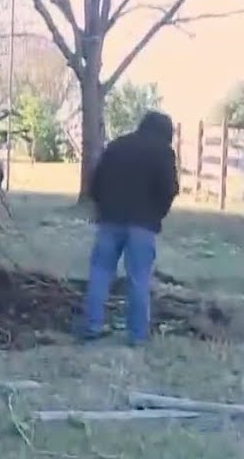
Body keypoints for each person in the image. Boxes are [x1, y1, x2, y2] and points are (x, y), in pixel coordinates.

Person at [79, 110, 179, 346]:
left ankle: (92, 325)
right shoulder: (163, 152)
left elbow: (94, 183)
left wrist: (102, 208)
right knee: (138, 279)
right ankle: (137, 334)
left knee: (100, 273)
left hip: (110, 220)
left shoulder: (116, 146)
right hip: (143, 225)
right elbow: (169, 189)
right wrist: (157, 214)